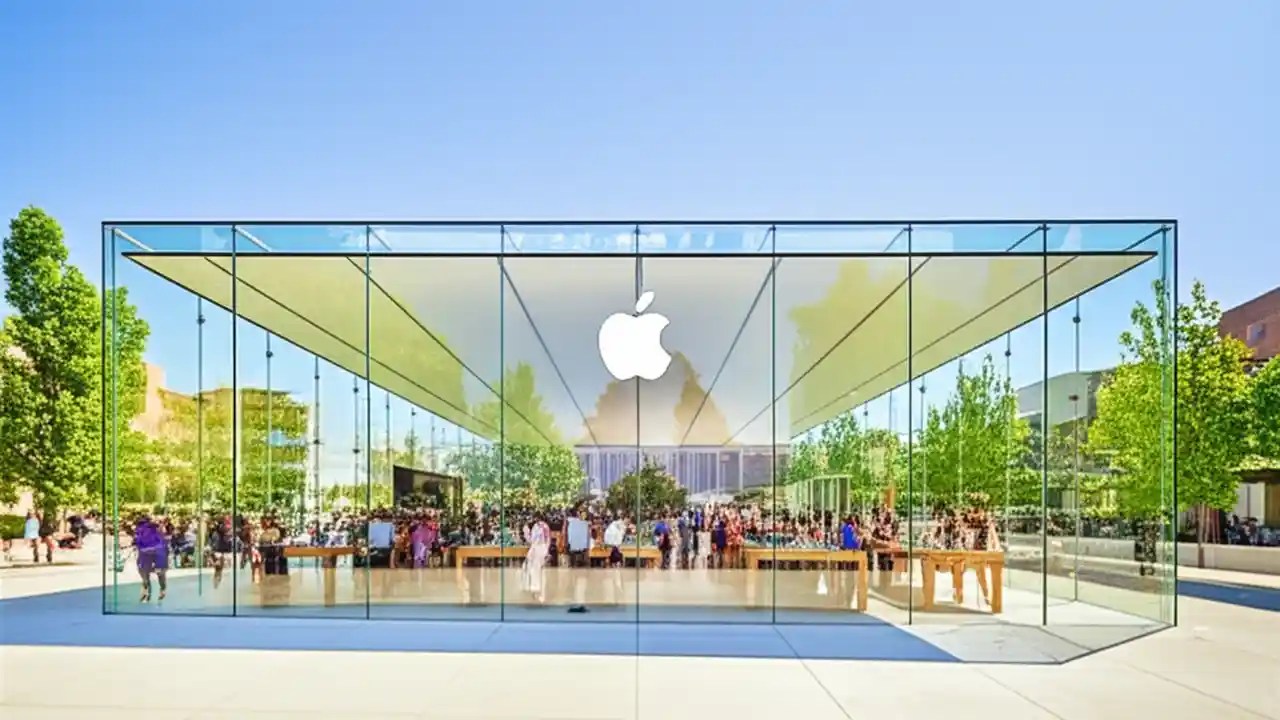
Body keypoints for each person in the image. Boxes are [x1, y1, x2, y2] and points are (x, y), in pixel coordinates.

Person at [133, 513, 168, 603]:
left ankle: (148, 589)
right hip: (155, 552)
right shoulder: (154, 527)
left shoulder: (145, 528)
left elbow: (137, 540)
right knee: (158, 571)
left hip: (151, 552)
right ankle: (160, 589)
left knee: (145, 571)